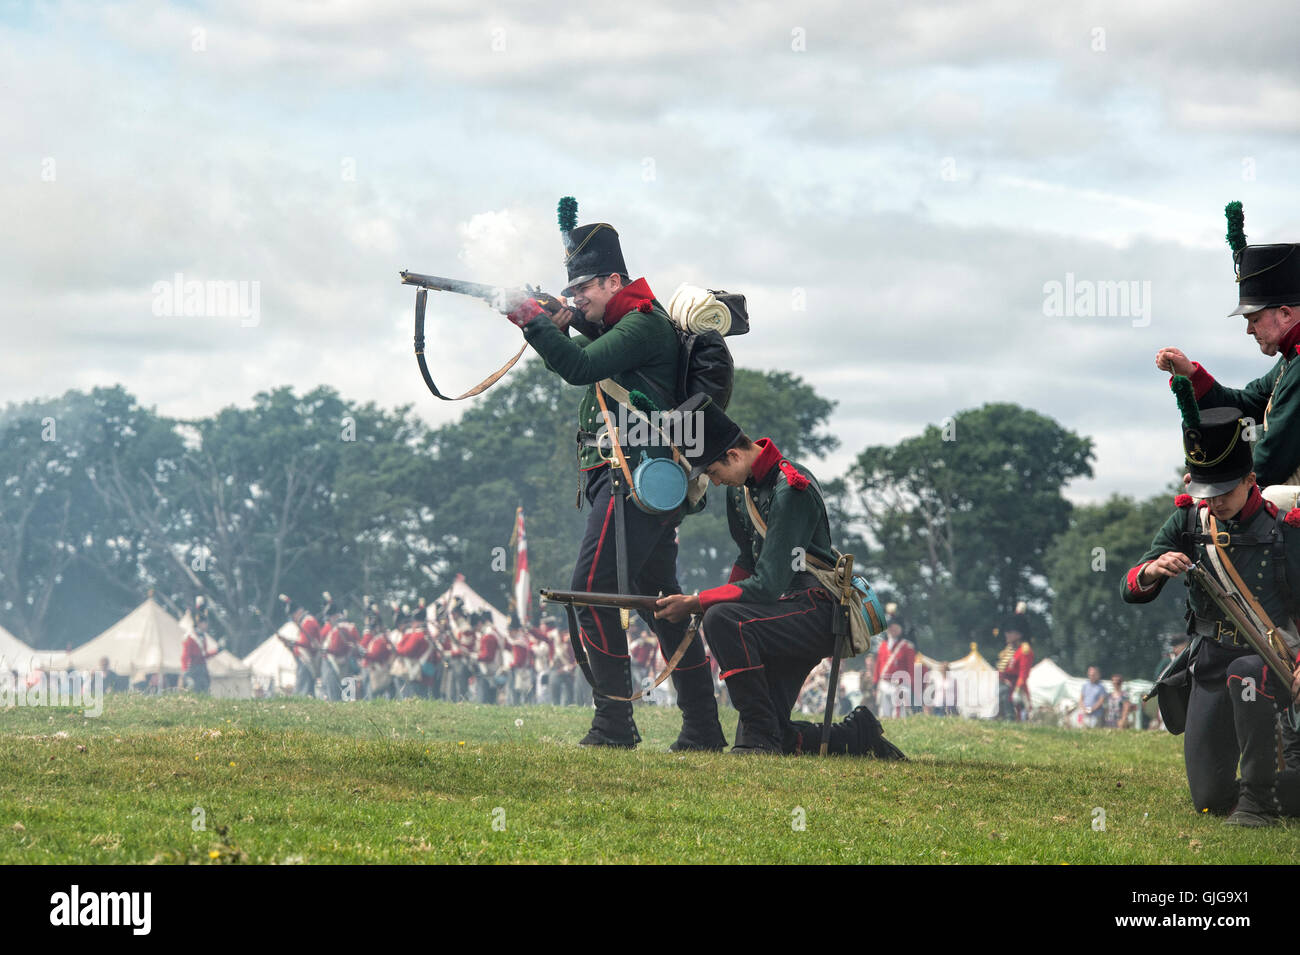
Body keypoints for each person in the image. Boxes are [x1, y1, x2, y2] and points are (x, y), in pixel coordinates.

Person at [507, 201, 724, 750]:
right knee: (663, 605)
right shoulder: (627, 327)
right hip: (634, 479)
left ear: (612, 280)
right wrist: (549, 324)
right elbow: (579, 362)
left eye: (583, 289)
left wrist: (535, 321)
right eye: (571, 292)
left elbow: (578, 366)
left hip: (634, 479)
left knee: (590, 593)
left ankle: (614, 723)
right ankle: (702, 726)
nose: (577, 299)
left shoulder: (643, 324)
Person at [654, 402, 905, 758]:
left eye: (712, 470)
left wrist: (700, 602)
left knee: (723, 621)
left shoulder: (792, 489)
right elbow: (746, 560)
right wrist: (712, 600)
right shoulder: (738, 490)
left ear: (733, 455)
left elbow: (769, 583)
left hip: (815, 608)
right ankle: (857, 735)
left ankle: (760, 740)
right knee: (774, 728)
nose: (713, 480)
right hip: (776, 613)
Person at [1122, 396, 1300, 826]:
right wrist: (1153, 569)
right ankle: (1281, 790)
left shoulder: (1283, 530)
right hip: (1209, 660)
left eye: (1224, 491)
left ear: (1250, 480)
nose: (1214, 502)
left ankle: (1260, 801)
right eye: (1206, 492)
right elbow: (1132, 585)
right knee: (1207, 798)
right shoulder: (1188, 522)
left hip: (1267, 662)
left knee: (1245, 670)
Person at [872, 612, 916, 718]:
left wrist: (911, 686)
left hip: (899, 684)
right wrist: (875, 683)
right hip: (884, 684)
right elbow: (878, 666)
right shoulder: (882, 646)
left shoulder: (907, 646)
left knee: (898, 715)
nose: (892, 629)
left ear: (900, 629)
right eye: (890, 627)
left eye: (895, 627)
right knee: (883, 714)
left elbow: (911, 669)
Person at [996, 615, 1034, 721]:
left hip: (1014, 688)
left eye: (1009, 632)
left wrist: (1016, 691)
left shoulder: (1024, 651)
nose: (1006, 634)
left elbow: (1023, 674)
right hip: (1002, 685)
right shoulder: (1008, 650)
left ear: (1018, 634)